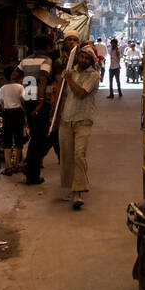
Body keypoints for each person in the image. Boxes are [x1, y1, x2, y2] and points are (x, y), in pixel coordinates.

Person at [58, 39, 100, 210]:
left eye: (86, 58)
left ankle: (78, 192)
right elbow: (63, 95)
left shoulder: (93, 76)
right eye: (81, 56)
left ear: (91, 61)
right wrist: (56, 116)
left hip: (83, 120)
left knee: (79, 154)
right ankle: (71, 188)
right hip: (66, 119)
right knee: (66, 156)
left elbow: (81, 94)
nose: (83, 60)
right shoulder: (70, 72)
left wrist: (69, 79)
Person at [22, 40, 53, 186]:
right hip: (39, 103)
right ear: (47, 47)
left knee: (35, 136)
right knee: (40, 137)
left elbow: (15, 75)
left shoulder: (26, 60)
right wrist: (41, 101)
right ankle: (31, 172)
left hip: (28, 99)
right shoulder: (46, 61)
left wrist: (27, 87)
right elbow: (42, 79)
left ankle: (29, 168)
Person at [0, 64, 26, 175]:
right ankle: (16, 165)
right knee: (19, 139)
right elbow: (23, 100)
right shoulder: (20, 87)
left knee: (7, 141)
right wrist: (25, 112)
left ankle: (8, 167)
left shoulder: (3, 88)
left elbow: (2, 104)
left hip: (7, 113)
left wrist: (5, 112)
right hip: (18, 113)